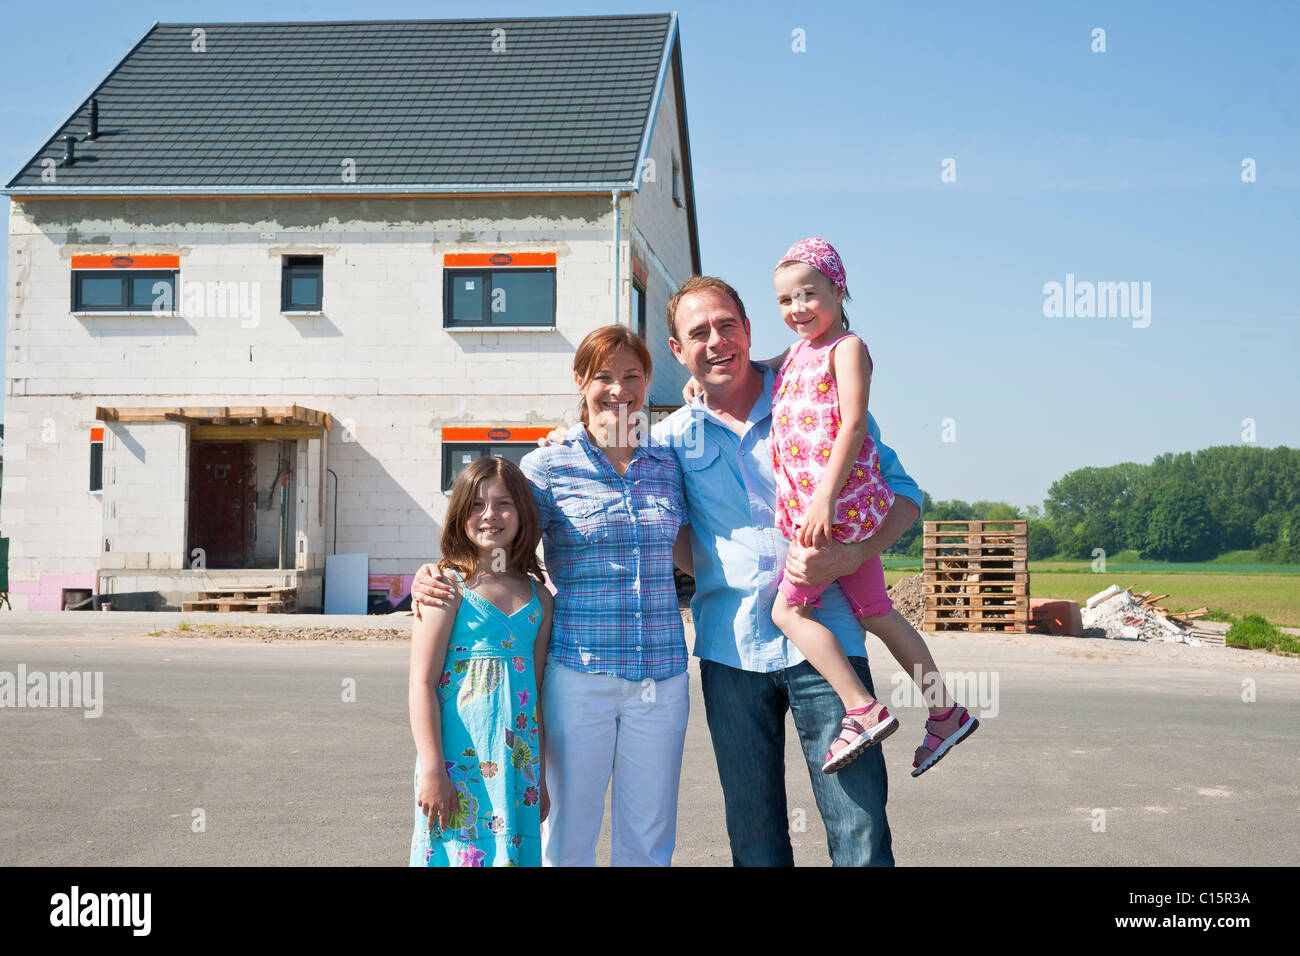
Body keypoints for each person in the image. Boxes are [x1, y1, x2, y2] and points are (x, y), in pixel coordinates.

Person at [655, 274, 922, 866]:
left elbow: (904, 496)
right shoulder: (670, 439)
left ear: (749, 331)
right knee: (754, 839)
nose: (717, 341)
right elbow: (669, 533)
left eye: (728, 325)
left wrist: (854, 555)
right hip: (730, 651)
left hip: (827, 641)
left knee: (859, 829)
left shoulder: (814, 393)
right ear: (677, 350)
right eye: (698, 333)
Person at [414, 326, 692, 867]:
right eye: (604, 377)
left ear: (648, 379)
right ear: (581, 382)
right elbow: (500, 539)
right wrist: (439, 571)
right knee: (567, 832)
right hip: (578, 673)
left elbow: (691, 551)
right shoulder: (548, 464)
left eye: (632, 376)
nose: (619, 390)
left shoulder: (668, 465)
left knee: (650, 833)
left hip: (662, 675)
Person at [766, 238, 977, 776]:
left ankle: (861, 708)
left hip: (830, 515)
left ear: (839, 290)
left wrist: (823, 500)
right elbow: (758, 367)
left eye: (809, 295)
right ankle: (946, 712)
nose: (797, 309)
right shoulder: (796, 353)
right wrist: (704, 378)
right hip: (834, 513)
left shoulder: (847, 348)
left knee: (786, 611)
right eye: (786, 301)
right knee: (878, 613)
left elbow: (855, 425)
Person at [408, 456, 552, 867]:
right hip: (457, 764)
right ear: (460, 515)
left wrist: (538, 777)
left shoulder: (540, 600)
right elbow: (421, 683)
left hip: (515, 770)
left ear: (522, 513)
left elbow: (536, 694)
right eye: (475, 504)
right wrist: (433, 769)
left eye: (503, 503)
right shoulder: (444, 587)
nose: (489, 515)